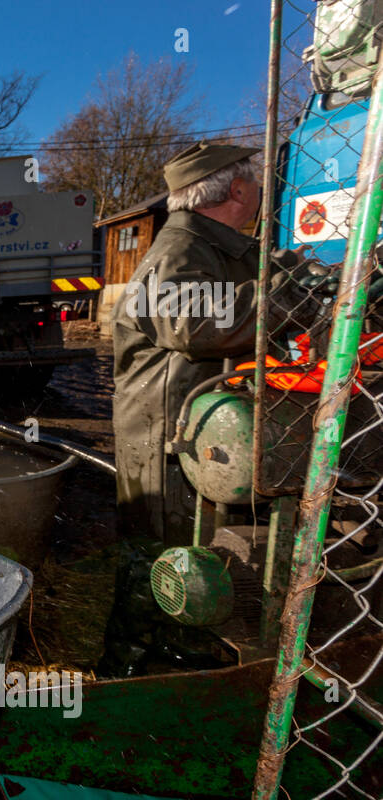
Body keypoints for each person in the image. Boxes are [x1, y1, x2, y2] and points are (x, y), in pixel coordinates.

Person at [112, 141, 311, 546]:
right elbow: (191, 322)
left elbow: (271, 271)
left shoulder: (220, 246)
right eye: (256, 182)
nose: (260, 191)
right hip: (173, 443)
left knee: (207, 563)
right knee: (171, 565)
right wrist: (294, 296)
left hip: (206, 432)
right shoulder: (179, 250)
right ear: (238, 191)